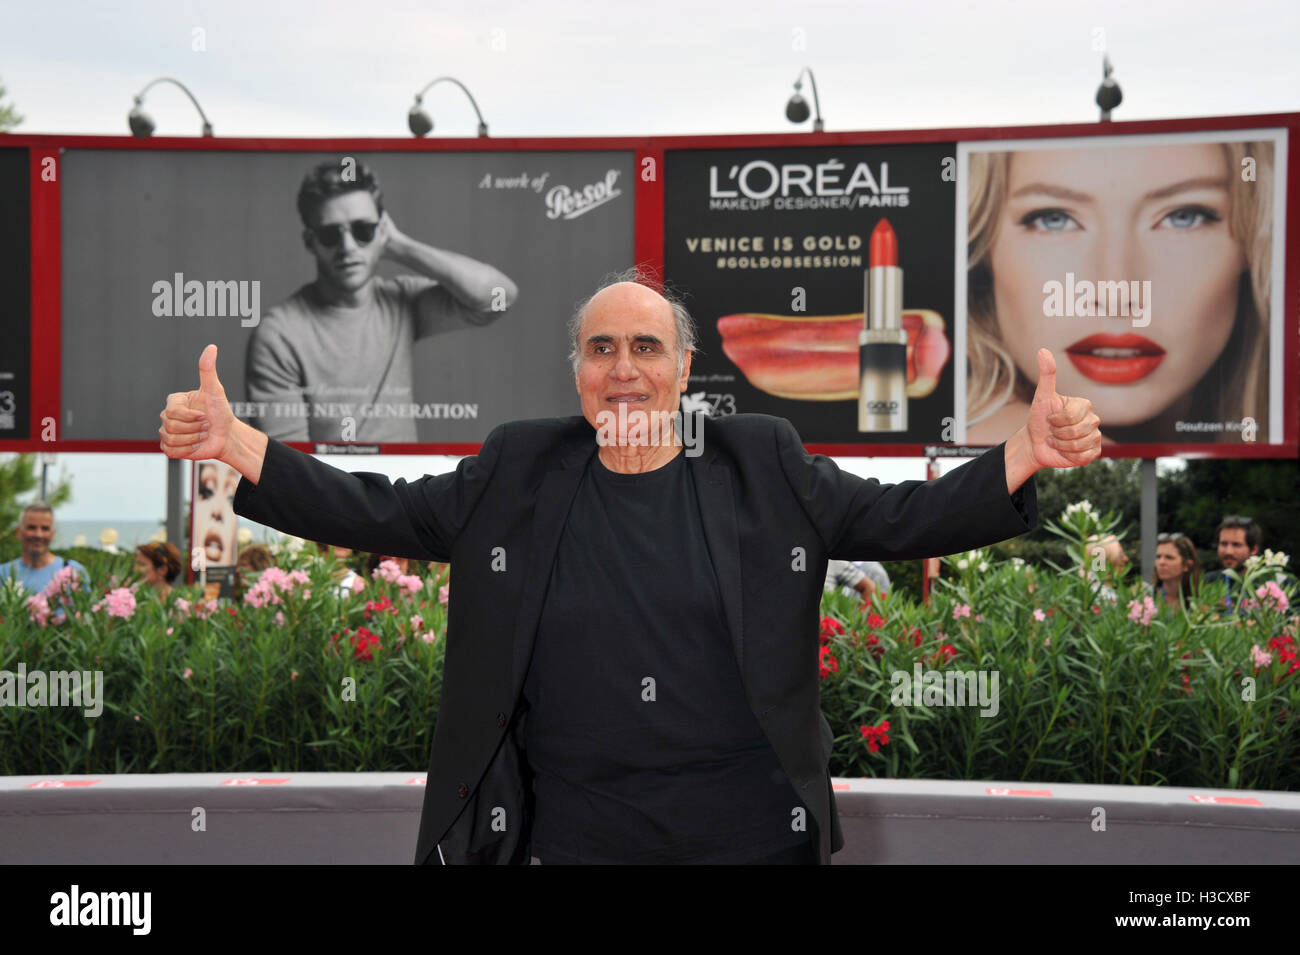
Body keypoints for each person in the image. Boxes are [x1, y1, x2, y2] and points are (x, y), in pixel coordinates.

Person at [159, 268, 1103, 865]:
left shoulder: (762, 460)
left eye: (645, 347)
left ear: (684, 369)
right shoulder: (520, 468)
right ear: (576, 371)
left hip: (749, 837)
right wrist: (243, 445)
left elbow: (901, 516)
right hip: (572, 840)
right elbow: (385, 510)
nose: (623, 368)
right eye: (601, 348)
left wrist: (1020, 454)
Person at [965, 140, 1274, 446]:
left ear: (1253, 244)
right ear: (983, 251)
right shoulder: (1010, 448)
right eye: (1053, 219)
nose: (1116, 297)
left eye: (1183, 217)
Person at [245, 158, 519, 443]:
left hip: (404, 487)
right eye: (330, 234)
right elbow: (287, 465)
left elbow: (498, 297)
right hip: (328, 487)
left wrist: (400, 246)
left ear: (382, 230)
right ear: (309, 241)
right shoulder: (278, 336)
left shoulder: (399, 301)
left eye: (363, 230)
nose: (348, 247)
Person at [0, 502, 91, 596]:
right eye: (31, 528)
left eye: (45, 528)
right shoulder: (3, 574)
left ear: (52, 534)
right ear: (19, 532)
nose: (38, 534)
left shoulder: (73, 572)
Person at [1151, 534, 1201, 609]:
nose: (1161, 562)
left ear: (1186, 565)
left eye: (1169, 557)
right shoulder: (1144, 595)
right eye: (1158, 557)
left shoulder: (1200, 602)